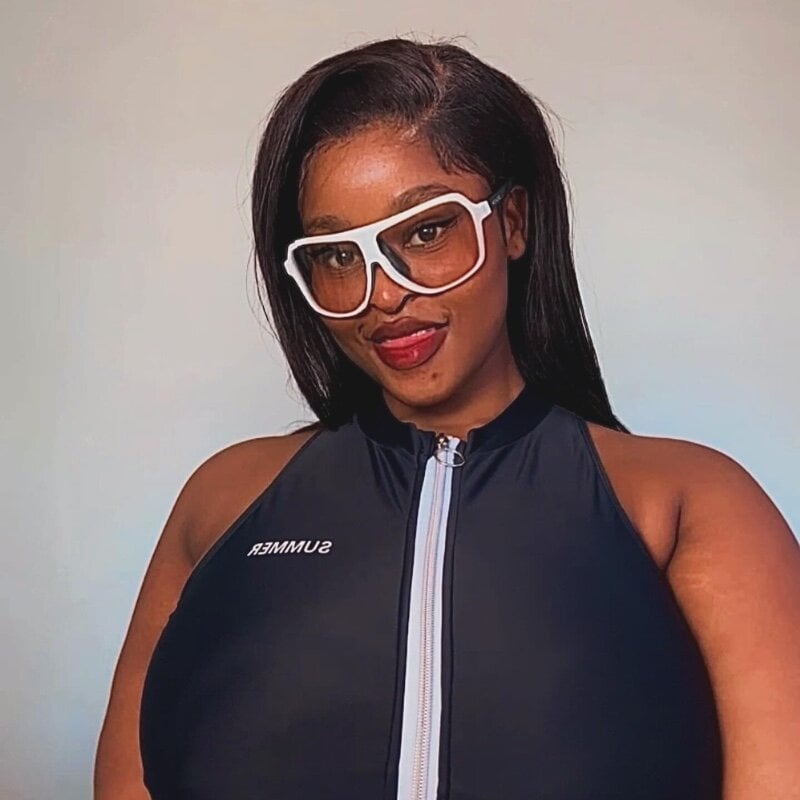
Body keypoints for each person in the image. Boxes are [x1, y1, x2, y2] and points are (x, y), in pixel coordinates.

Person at [94, 36, 800, 800]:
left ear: (514, 222)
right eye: (338, 255)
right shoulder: (225, 501)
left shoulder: (688, 501)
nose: (383, 293)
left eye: (425, 230)